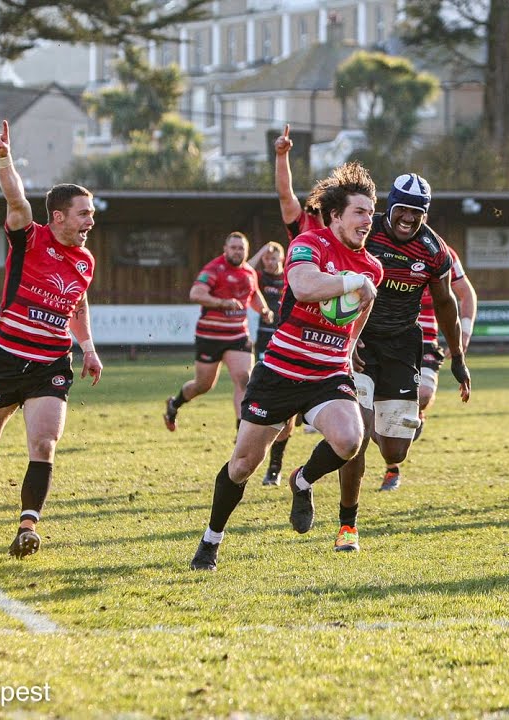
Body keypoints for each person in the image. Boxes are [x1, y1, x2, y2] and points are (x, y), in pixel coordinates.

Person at [187, 161, 384, 571]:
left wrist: (347, 352)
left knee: (350, 440)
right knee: (243, 465)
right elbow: (304, 286)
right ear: (335, 215)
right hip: (279, 371)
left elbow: (363, 310)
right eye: (359, 212)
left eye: (370, 212)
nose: (367, 220)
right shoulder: (309, 244)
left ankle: (302, 480)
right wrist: (351, 282)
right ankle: (211, 539)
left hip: (327, 373)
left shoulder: (372, 267)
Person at [0, 119, 103, 559]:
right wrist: (4, 159)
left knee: (44, 443)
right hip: (6, 359)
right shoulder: (29, 238)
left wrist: (88, 348)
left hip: (49, 364)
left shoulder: (85, 262)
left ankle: (28, 526)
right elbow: (15, 198)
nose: (90, 221)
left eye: (92, 214)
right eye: (84, 213)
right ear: (58, 216)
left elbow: (76, 306)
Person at [337, 173, 471, 519]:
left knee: (395, 451)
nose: (409, 218)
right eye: (403, 210)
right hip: (360, 341)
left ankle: (396, 439)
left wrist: (458, 356)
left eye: (417, 212)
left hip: (402, 344)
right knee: (359, 431)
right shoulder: (366, 232)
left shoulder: (433, 250)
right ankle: (348, 522)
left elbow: (445, 303)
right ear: (390, 205)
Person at [257, 124, 328, 487]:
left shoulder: (352, 235)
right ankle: (274, 466)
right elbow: (285, 194)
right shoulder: (302, 227)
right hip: (297, 320)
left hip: (335, 332)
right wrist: (282, 156)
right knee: (285, 410)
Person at [379, 244, 477, 491]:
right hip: (383, 340)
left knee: (422, 394)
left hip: (424, 341)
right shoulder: (378, 244)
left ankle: (416, 416)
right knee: (378, 415)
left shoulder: (441, 251)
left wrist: (463, 335)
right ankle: (392, 467)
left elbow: (466, 294)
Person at [162, 232, 272, 433]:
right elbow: (195, 294)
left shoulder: (249, 272)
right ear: (225, 249)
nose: (237, 252)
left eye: (241, 248)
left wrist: (264, 310)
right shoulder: (214, 269)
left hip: (238, 335)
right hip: (210, 336)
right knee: (203, 386)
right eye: (234, 248)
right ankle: (174, 404)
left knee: (244, 378)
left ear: (246, 252)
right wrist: (222, 303)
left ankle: (241, 434)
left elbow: (254, 294)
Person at [249, 241, 286, 361]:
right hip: (264, 329)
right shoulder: (259, 277)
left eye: (273, 259)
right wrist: (262, 250)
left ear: (281, 258)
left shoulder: (289, 277)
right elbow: (245, 271)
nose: (269, 262)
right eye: (266, 258)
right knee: (262, 365)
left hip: (285, 329)